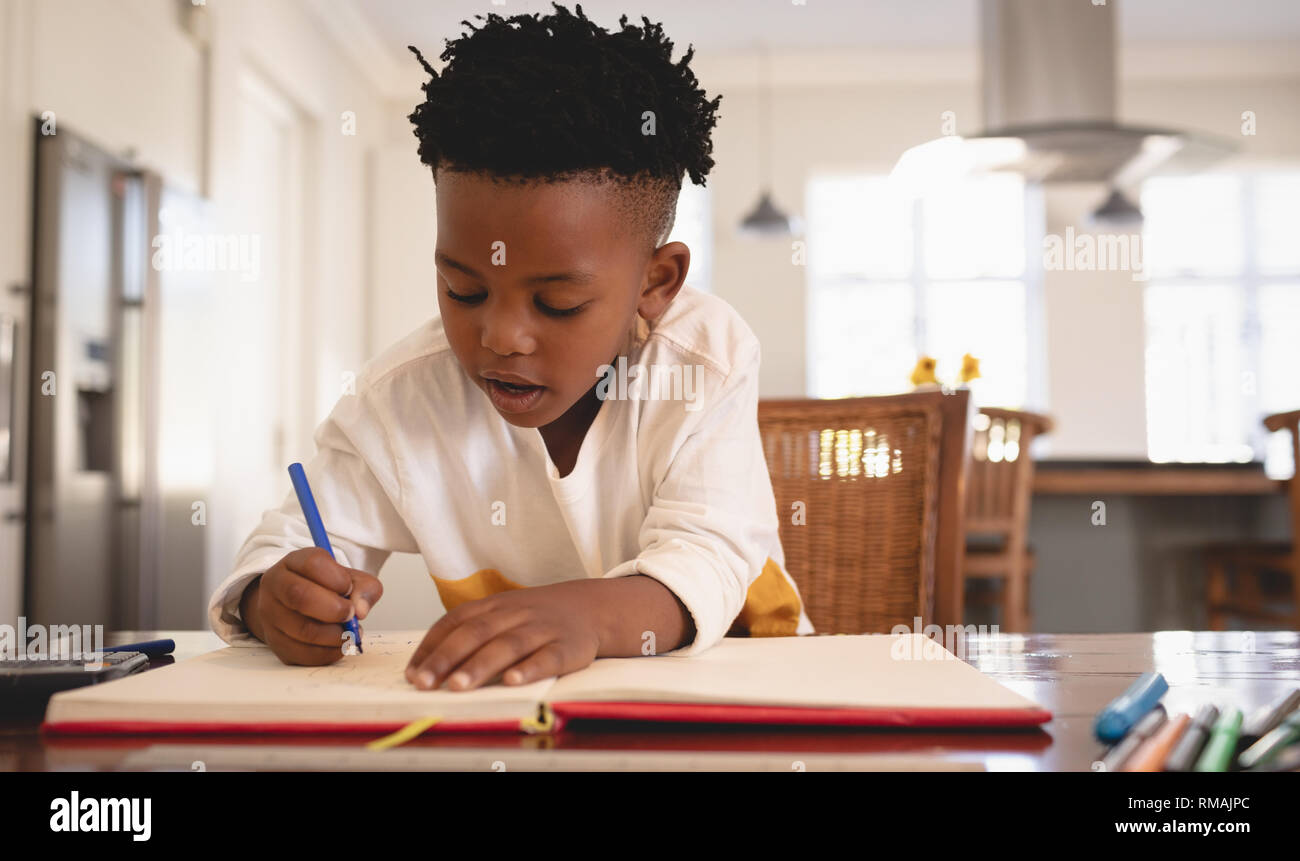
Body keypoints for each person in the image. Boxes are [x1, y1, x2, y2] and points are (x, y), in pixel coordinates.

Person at [206, 2, 812, 692]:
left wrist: (583, 617)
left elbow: (706, 555)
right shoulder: (405, 400)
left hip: (736, 699)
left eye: (556, 302)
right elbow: (285, 545)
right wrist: (273, 597)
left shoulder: (702, 362)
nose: (500, 337)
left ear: (656, 281)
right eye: (463, 289)